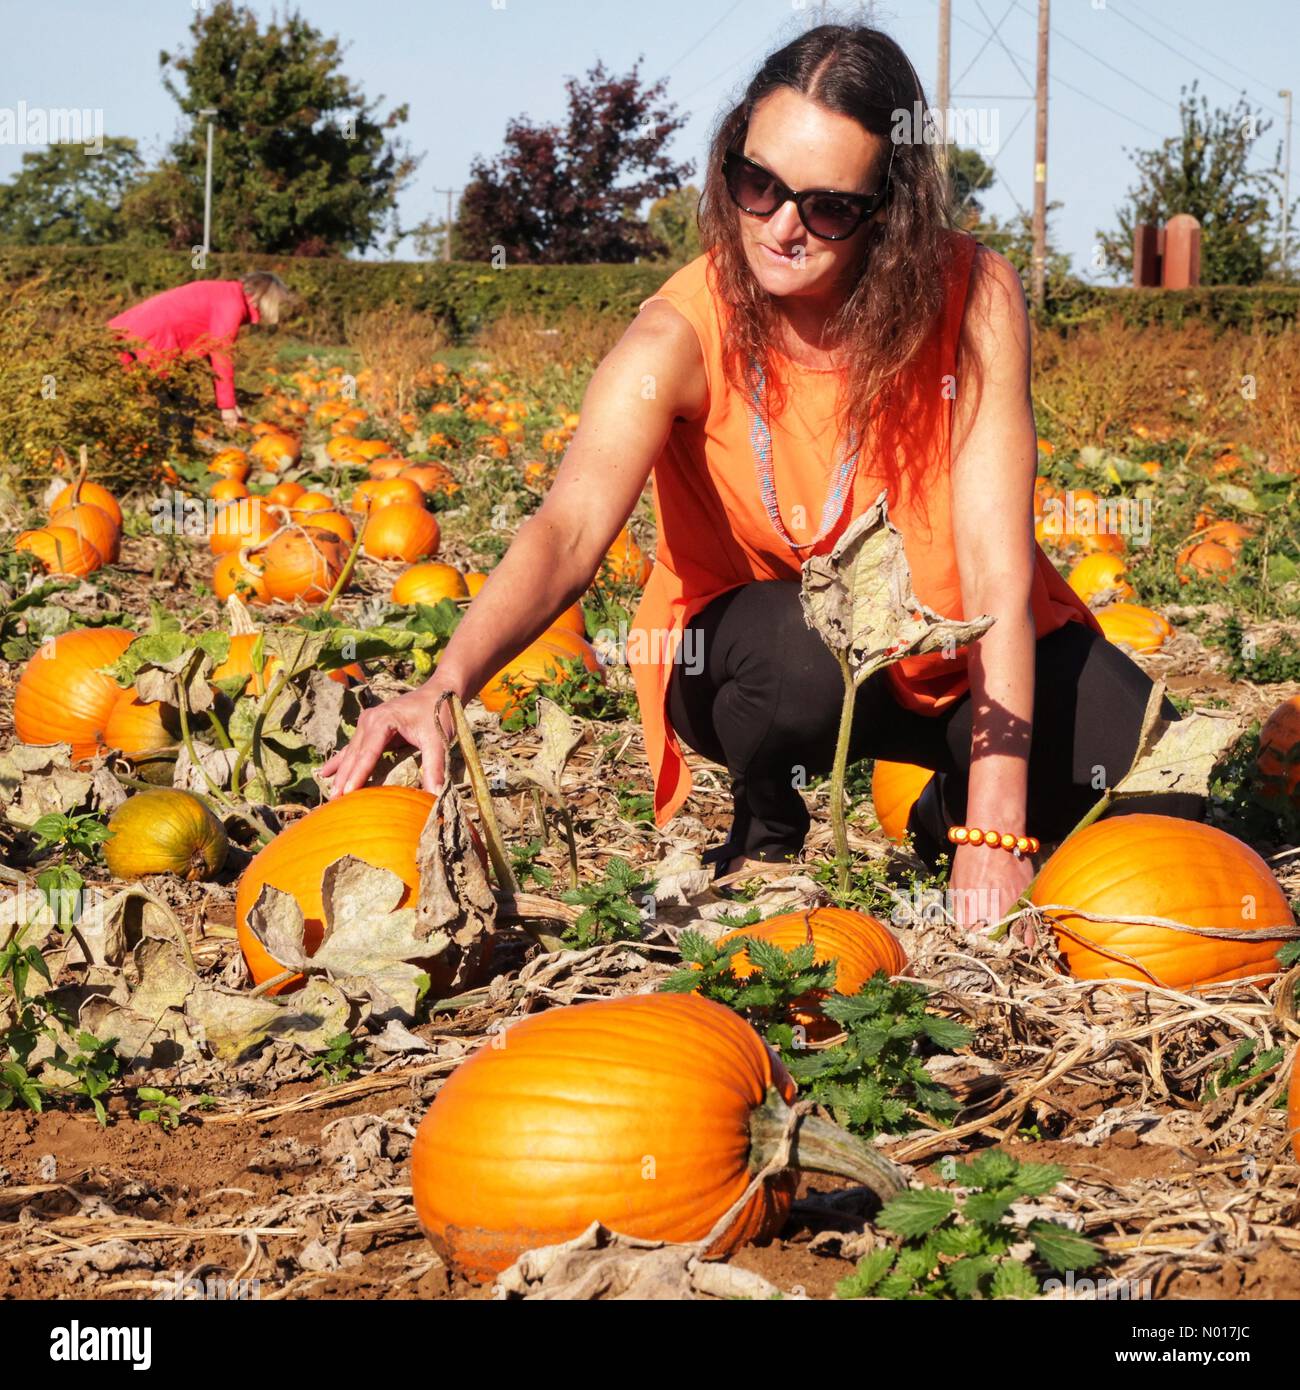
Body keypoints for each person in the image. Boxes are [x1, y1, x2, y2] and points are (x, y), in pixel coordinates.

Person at [320, 24, 1201, 929]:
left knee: (1127, 758)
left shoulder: (972, 296)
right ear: (729, 162)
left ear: (887, 208)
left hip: (951, 657)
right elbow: (570, 528)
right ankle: (764, 829)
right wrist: (443, 685)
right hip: (766, 656)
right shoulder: (680, 332)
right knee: (800, 653)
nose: (781, 226)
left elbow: (996, 569)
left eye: (825, 207)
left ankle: (942, 814)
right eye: (758, 184)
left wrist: (995, 831)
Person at [107, 271, 292, 427]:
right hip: (152, 340)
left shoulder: (226, 293)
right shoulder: (231, 304)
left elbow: (210, 347)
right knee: (177, 405)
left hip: (137, 332)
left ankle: (170, 454)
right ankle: (171, 456)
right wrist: (227, 406)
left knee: (177, 400)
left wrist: (228, 401)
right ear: (266, 298)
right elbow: (221, 353)